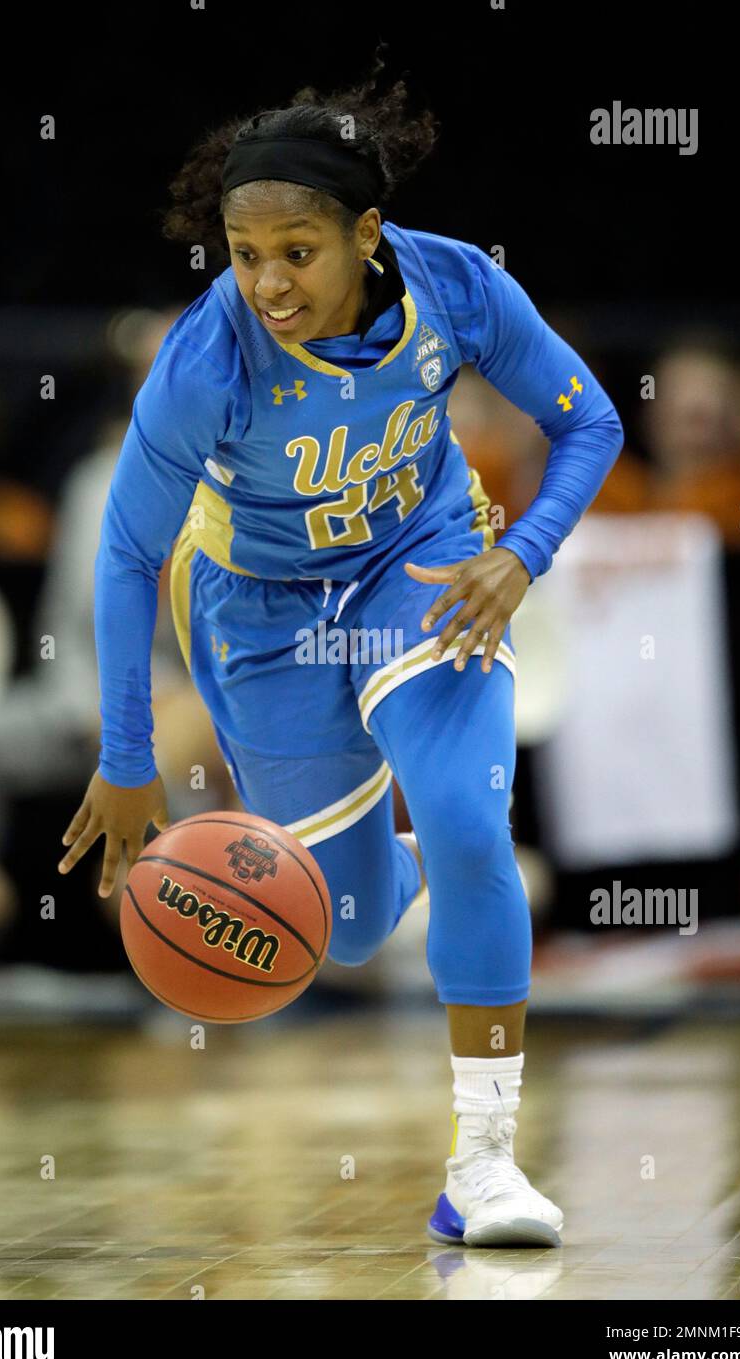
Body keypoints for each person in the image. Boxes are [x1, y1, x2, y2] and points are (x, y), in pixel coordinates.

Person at [57, 57, 623, 1247]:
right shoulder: (204, 363)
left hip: (421, 566)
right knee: (347, 926)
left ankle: (482, 1165)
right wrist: (124, 756)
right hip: (259, 614)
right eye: (242, 251)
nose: (265, 281)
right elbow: (121, 556)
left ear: (367, 231)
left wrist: (520, 553)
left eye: (296, 251)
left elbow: (589, 420)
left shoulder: (460, 287)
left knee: (476, 828)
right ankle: (415, 870)